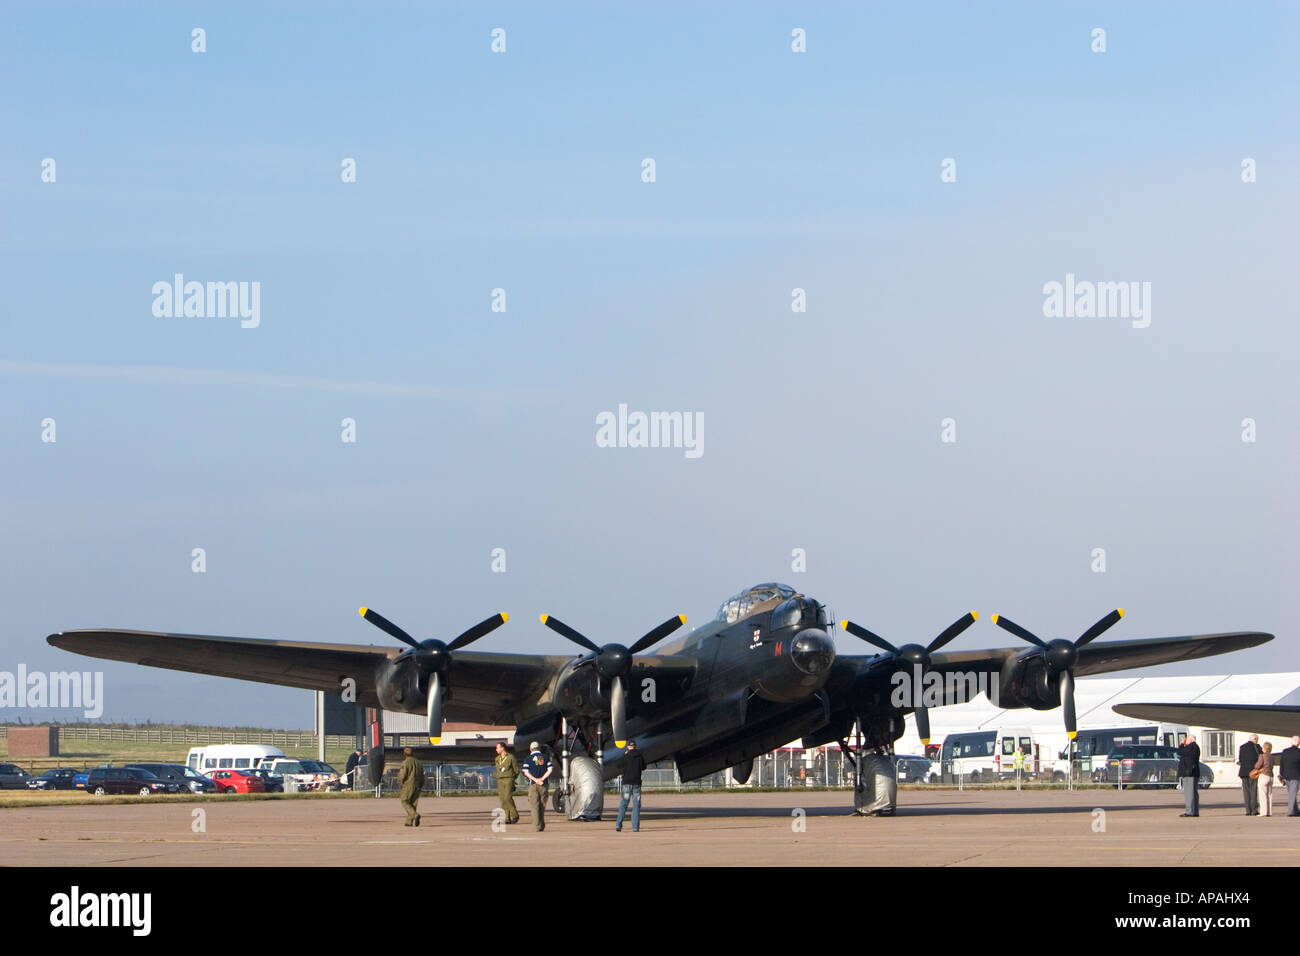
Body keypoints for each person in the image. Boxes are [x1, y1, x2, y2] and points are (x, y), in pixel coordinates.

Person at [616, 739, 647, 832]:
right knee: (636, 805)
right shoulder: (639, 756)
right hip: (636, 783)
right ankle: (635, 827)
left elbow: (618, 765)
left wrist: (625, 755)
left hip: (626, 783)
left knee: (623, 804)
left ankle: (618, 825)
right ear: (635, 746)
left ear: (628, 747)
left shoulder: (626, 756)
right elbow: (644, 767)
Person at [522, 741, 552, 831]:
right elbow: (550, 769)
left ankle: (536, 825)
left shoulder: (528, 759)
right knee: (542, 805)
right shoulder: (546, 757)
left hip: (533, 785)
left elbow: (525, 772)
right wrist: (542, 779)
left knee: (535, 805)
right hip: (544, 784)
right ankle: (541, 825)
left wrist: (535, 780)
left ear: (530, 749)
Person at [494, 742, 520, 825]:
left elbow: (516, 770)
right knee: (503, 799)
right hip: (500, 780)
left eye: (498, 748)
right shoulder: (497, 759)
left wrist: (513, 779)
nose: (496, 749)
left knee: (508, 797)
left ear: (503, 748)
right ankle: (506, 818)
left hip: (509, 779)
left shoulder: (511, 757)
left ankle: (515, 815)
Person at [397, 747, 424, 827]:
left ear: (404, 754)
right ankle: (409, 822)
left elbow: (403, 774)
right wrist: (421, 784)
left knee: (404, 801)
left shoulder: (405, 762)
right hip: (417, 784)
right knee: (413, 803)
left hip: (408, 784)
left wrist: (400, 781)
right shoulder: (419, 762)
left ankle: (415, 815)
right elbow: (422, 775)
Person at [1176, 733, 1200, 817]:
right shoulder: (1193, 747)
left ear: (1191, 739)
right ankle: (1194, 811)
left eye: (1187, 739)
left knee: (1189, 793)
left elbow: (1180, 752)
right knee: (1192, 793)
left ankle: (1190, 811)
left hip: (1190, 773)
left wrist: (1182, 744)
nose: (1185, 740)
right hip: (1190, 772)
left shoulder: (1192, 746)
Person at [1238, 735, 1262, 814]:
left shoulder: (1242, 747)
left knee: (1246, 791)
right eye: (1257, 740)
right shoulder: (1256, 747)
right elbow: (1260, 758)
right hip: (1253, 772)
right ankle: (1254, 810)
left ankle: (1248, 810)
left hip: (1243, 772)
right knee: (1253, 790)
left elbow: (1240, 759)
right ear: (1255, 739)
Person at [1279, 736, 1300, 817]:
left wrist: (1281, 774)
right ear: (1298, 743)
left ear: (1291, 742)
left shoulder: (1285, 751)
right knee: (1292, 794)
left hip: (1286, 775)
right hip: (1296, 775)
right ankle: (1291, 812)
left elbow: (1282, 763)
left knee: (1291, 793)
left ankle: (1296, 810)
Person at [1254, 742, 1275, 817]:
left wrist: (1255, 766)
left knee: (1263, 795)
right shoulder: (1272, 756)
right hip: (1271, 775)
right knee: (1269, 795)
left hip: (1263, 775)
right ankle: (1269, 812)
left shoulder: (1262, 756)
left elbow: (1258, 765)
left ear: (1265, 748)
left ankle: (1263, 812)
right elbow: (1272, 766)